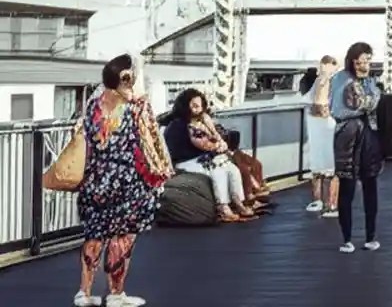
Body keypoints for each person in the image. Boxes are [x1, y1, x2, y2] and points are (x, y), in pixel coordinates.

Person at [75, 54, 173, 307]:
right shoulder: (137, 106)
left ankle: (84, 293)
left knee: (95, 235)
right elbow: (150, 144)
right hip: (128, 182)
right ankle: (116, 294)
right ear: (128, 78)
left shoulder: (94, 105)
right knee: (123, 237)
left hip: (95, 181)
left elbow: (84, 137)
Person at [162, 88, 256, 222]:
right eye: (193, 106)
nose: (197, 109)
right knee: (218, 171)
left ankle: (238, 202)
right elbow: (199, 144)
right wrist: (214, 146)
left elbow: (209, 141)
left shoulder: (197, 121)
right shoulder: (179, 125)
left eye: (199, 106)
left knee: (232, 169)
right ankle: (223, 207)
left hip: (200, 157)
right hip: (185, 160)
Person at [330, 42, 384, 253]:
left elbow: (366, 102)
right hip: (349, 136)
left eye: (369, 59)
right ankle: (347, 238)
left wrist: (368, 101)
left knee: (370, 184)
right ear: (354, 60)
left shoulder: (369, 81)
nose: (367, 63)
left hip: (367, 135)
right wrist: (370, 100)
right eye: (363, 59)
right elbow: (348, 106)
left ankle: (370, 236)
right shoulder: (341, 80)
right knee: (348, 186)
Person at [301, 56, 339, 217]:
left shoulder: (332, 82)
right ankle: (321, 201)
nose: (325, 69)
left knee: (329, 165)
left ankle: (331, 204)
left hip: (325, 124)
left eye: (327, 66)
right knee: (319, 164)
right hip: (318, 125)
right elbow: (312, 102)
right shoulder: (320, 81)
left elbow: (324, 105)